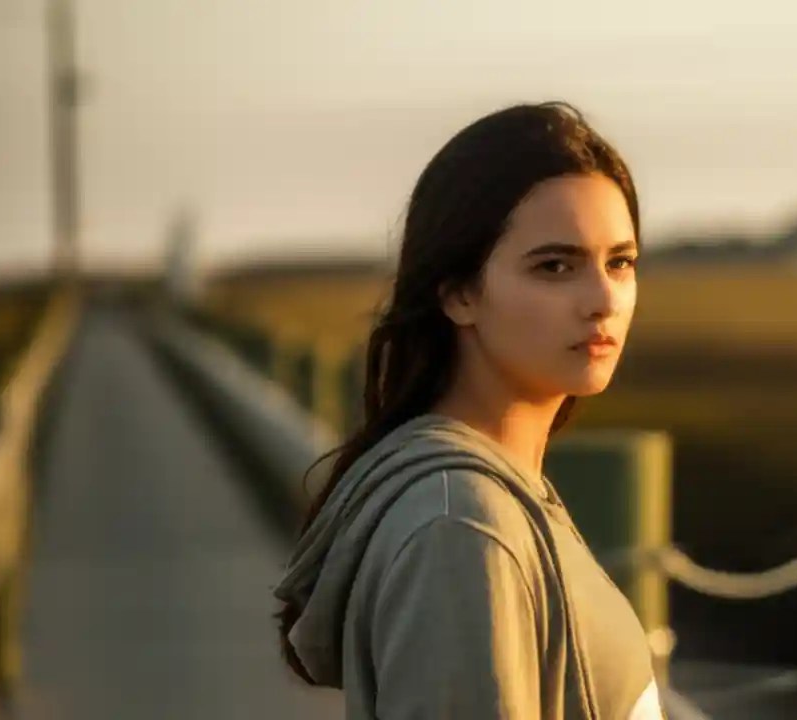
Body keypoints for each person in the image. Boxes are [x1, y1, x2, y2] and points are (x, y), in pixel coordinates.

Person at [272, 101, 665, 719]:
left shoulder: (498, 499)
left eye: (620, 262)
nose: (603, 299)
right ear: (458, 294)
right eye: (555, 266)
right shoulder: (462, 529)